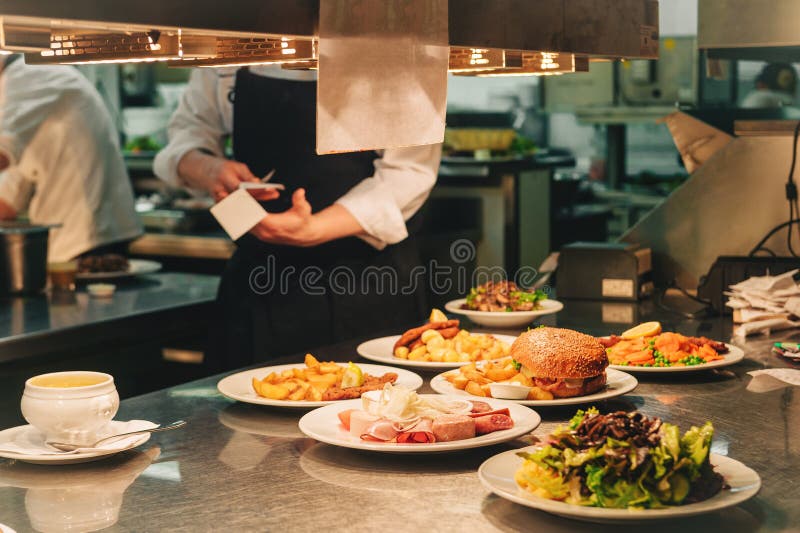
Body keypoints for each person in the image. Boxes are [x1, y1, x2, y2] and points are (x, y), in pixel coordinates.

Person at [154, 65, 440, 371]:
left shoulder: (400, 49)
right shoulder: (232, 37)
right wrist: (210, 169)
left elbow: (410, 171)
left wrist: (315, 228)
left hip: (366, 283)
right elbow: (186, 133)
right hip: (258, 281)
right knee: (242, 413)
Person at [0, 55, 142, 261]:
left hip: (89, 238)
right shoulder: (18, 100)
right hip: (77, 240)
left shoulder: (29, 74)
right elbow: (8, 201)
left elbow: (2, 155)